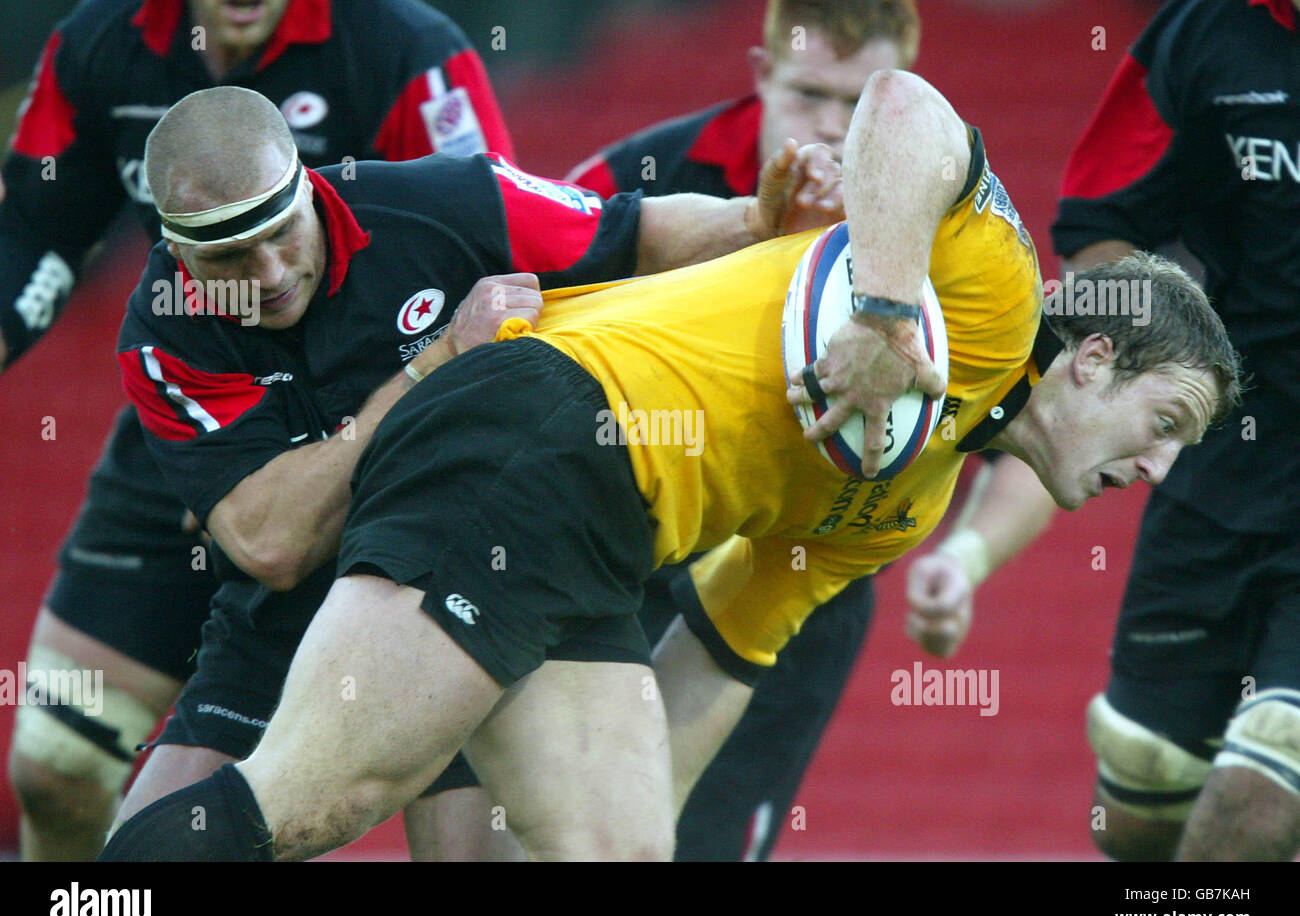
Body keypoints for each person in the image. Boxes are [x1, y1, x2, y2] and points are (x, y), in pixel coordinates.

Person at [99, 68, 1240, 862]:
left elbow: (709, 664)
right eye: (1166, 418)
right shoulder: (983, 288)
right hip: (537, 430)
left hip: (601, 534)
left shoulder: (907, 504)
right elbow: (903, 104)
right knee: (313, 800)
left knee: (623, 845)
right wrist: (889, 308)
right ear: (1091, 357)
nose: (1155, 467)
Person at [90, 81, 839, 855]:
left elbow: (636, 231)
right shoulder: (162, 330)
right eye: (230, 257)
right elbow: (273, 544)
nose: (271, 271)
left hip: (476, 572)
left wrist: (754, 219)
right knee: (138, 861)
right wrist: (432, 365)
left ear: (310, 188)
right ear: (177, 253)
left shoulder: (449, 200)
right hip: (287, 618)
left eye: (283, 232)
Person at [1, 0, 517, 862]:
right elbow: (33, 227)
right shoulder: (96, 49)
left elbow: (488, 235)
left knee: (461, 837)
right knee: (54, 766)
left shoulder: (407, 51)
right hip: (199, 429)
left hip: (386, 455)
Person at [567, 0, 1055, 860]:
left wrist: (962, 557)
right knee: (573, 828)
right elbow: (539, 295)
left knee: (703, 845)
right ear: (759, 73)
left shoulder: (935, 208)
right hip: (622, 542)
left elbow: (1034, 418)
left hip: (795, 566)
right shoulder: (640, 176)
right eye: (807, 94)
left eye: (853, 101)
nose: (831, 125)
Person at [1052, 0, 1300, 862]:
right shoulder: (1201, 34)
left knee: (1258, 800)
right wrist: (1147, 369)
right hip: (1222, 475)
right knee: (1140, 801)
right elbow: (1093, 233)